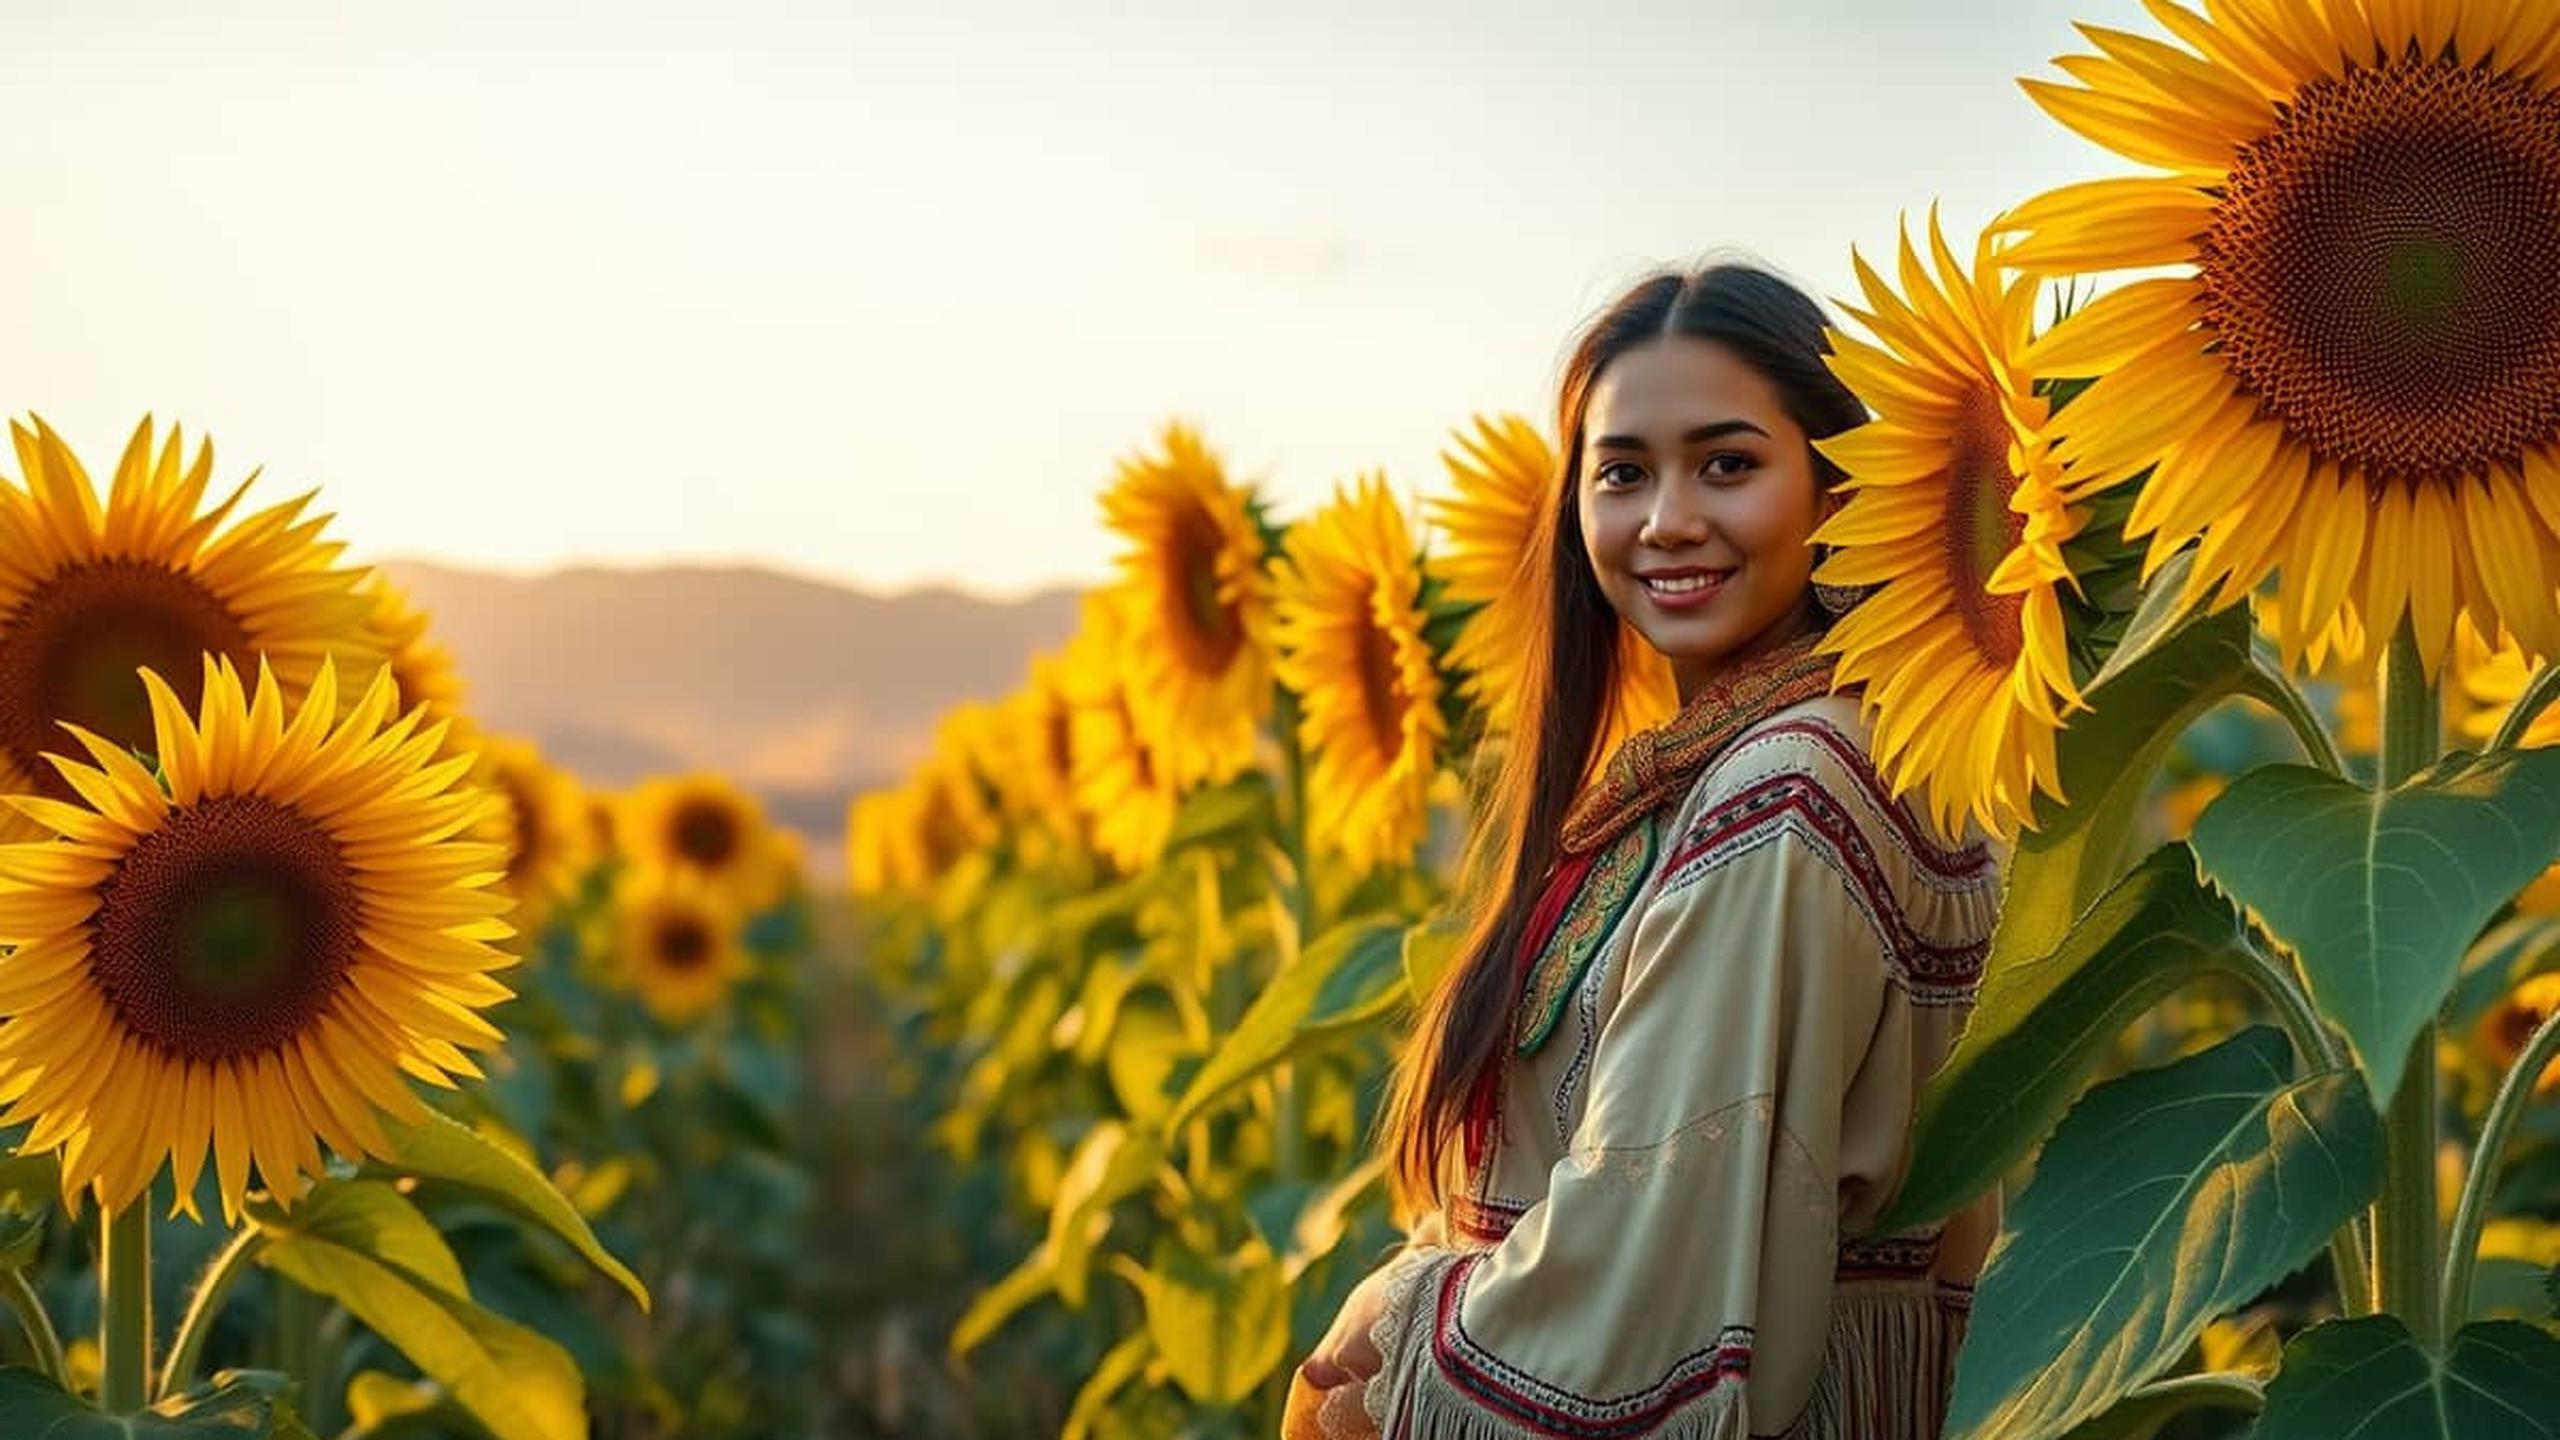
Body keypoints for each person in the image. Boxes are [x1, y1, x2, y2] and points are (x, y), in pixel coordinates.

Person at [1284, 261, 2001, 1440]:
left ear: (1834, 490)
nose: (1667, 519)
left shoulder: (1788, 788)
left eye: (1727, 464)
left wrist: (1401, 1320)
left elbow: (1645, 1269)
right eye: (1622, 473)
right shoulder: (1759, 758)